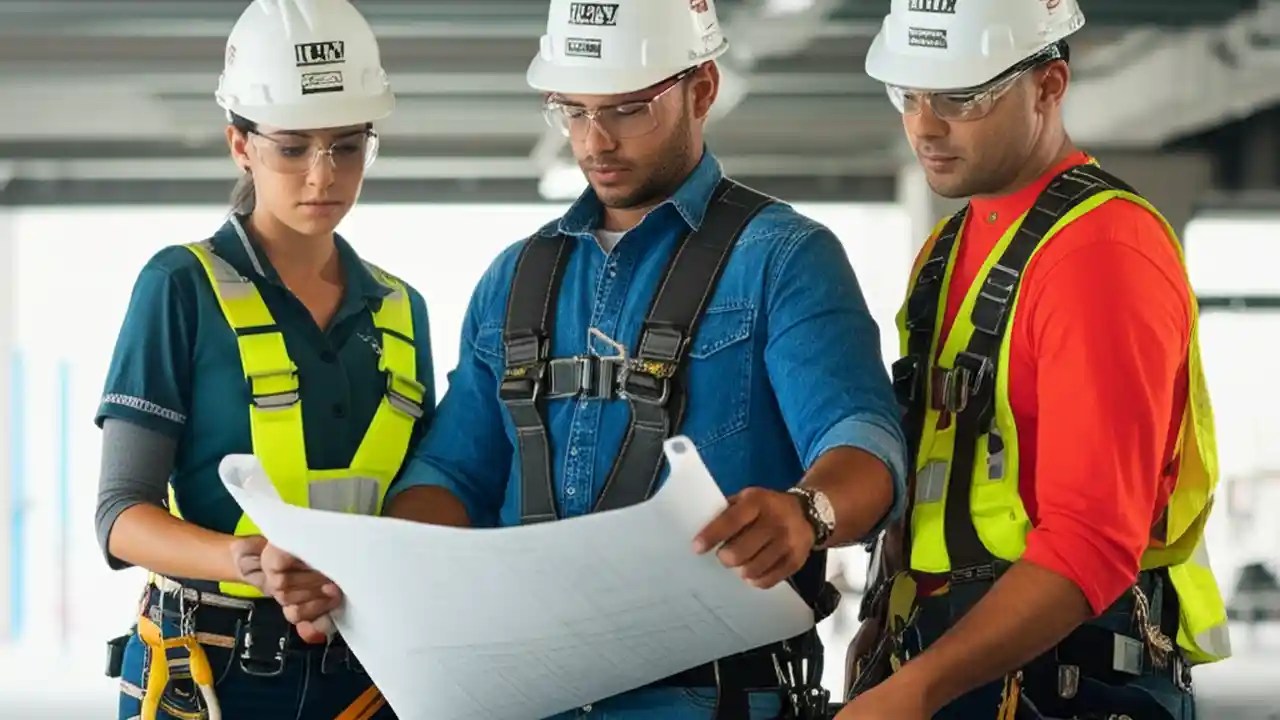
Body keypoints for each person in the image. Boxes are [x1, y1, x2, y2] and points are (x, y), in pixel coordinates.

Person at [271, 0, 907, 717]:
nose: (595, 139)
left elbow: (864, 438)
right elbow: (453, 473)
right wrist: (368, 569)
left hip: (714, 699)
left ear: (701, 90)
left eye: (628, 110)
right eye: (571, 110)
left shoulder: (784, 260)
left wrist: (807, 511)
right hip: (520, 697)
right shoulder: (514, 280)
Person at [838, 1, 1232, 718]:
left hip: (1060, 681)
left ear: (1048, 86)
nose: (925, 124)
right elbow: (946, 467)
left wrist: (916, 689)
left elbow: (1091, 540)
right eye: (908, 93)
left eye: (962, 96)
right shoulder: (949, 248)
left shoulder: (1101, 254)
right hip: (962, 663)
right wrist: (886, 619)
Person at [94, 1, 435, 718]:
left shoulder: (402, 311)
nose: (323, 175)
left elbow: (421, 500)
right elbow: (121, 515)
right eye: (292, 146)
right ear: (240, 144)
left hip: (368, 676)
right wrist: (242, 559)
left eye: (347, 146)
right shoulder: (179, 287)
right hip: (212, 673)